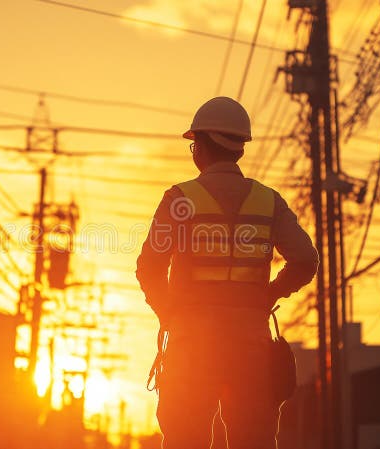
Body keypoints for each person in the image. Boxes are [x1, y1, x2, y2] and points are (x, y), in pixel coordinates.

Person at [136, 97, 318, 449]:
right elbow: (305, 260)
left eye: (194, 145)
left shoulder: (179, 199)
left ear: (202, 147)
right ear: (239, 148)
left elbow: (149, 267)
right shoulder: (269, 201)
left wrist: (170, 313)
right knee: (253, 441)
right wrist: (270, 294)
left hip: (191, 346)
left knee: (186, 441)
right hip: (250, 348)